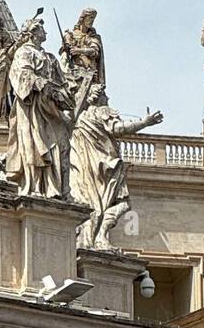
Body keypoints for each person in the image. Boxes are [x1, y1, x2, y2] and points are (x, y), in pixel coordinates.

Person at [70, 81, 163, 249]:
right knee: (121, 203)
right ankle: (101, 236)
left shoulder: (78, 118)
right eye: (105, 94)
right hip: (107, 167)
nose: (108, 97)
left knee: (91, 203)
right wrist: (145, 122)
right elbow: (119, 128)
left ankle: (87, 238)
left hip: (84, 168)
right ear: (98, 97)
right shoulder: (102, 111)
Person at [6, 18, 73, 198]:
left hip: (51, 109)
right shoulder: (23, 53)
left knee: (61, 146)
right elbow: (22, 75)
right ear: (33, 32)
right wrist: (41, 83)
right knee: (34, 145)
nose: (45, 32)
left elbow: (65, 84)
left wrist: (70, 75)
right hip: (32, 106)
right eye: (42, 29)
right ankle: (36, 186)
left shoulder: (51, 58)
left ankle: (57, 188)